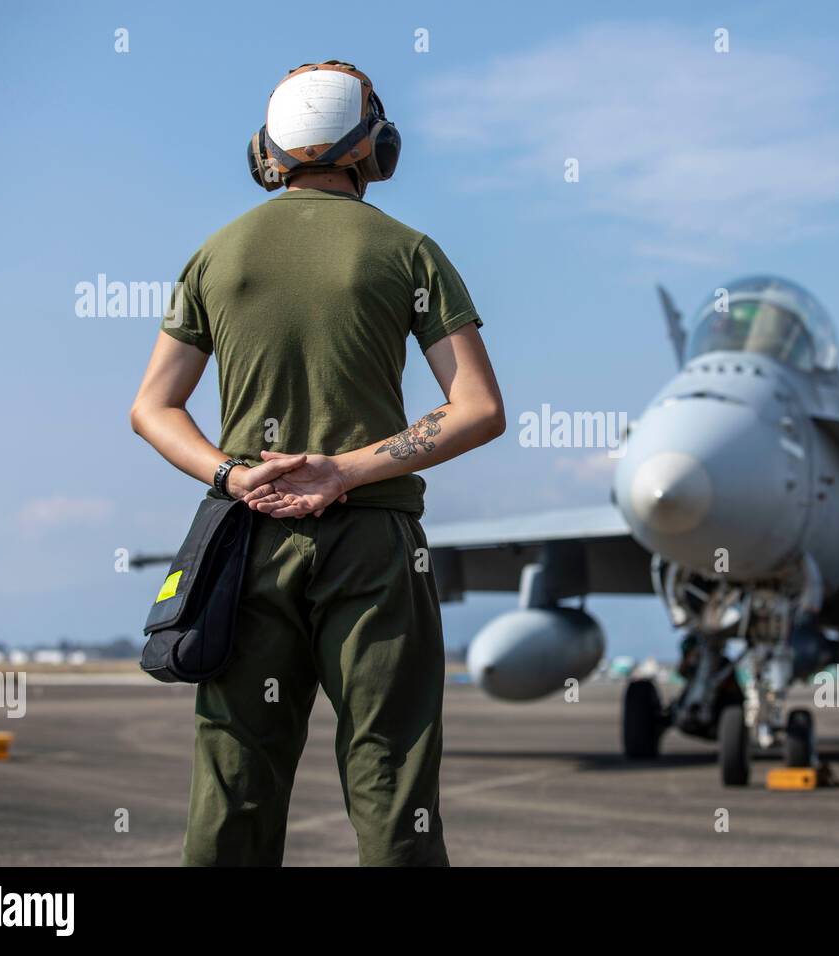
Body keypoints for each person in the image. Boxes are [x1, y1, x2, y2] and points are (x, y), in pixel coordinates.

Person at [129, 60, 504, 866]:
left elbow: (151, 408)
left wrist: (231, 474)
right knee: (391, 779)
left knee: (234, 782)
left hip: (245, 540)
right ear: (373, 147)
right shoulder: (409, 253)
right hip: (372, 546)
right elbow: (477, 407)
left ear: (269, 150)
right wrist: (345, 471)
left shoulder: (215, 255)